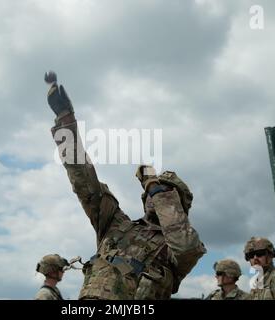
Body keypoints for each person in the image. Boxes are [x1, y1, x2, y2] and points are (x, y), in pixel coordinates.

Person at [45, 72, 206, 299]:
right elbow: (84, 181)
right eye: (151, 191)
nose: (154, 194)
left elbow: (185, 246)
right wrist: (66, 122)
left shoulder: (177, 248)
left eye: (166, 192)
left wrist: (155, 187)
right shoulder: (115, 224)